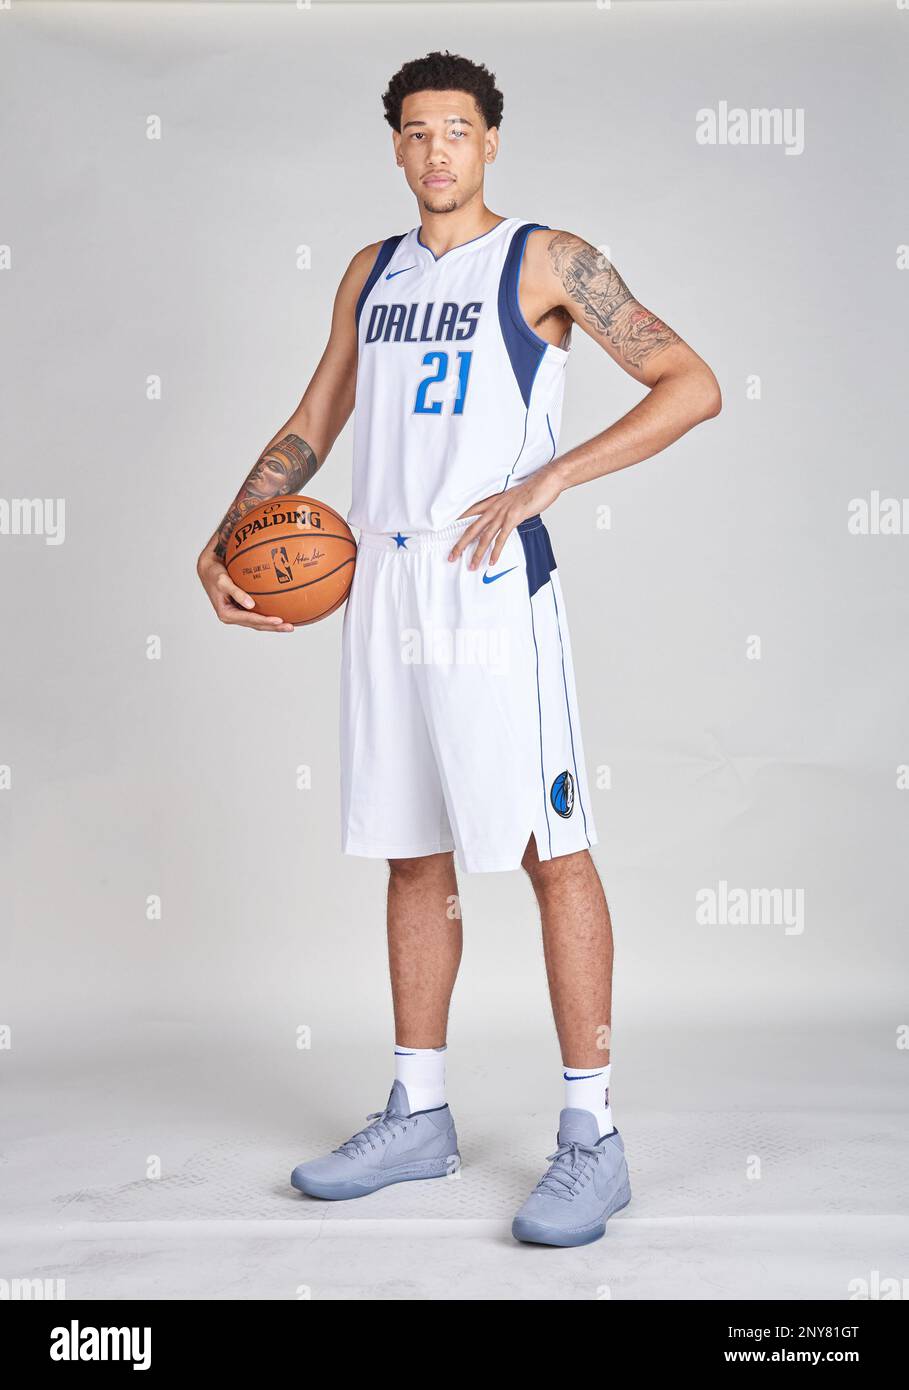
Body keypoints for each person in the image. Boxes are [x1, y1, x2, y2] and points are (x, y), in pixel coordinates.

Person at [197, 50, 721, 1247]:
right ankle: (419, 1113)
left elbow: (690, 382)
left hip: (489, 588)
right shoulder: (369, 273)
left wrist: (554, 475)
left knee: (550, 847)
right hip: (379, 582)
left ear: (492, 143)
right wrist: (230, 534)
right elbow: (315, 416)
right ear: (394, 147)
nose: (438, 150)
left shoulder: (545, 259)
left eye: (460, 130)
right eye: (417, 132)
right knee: (409, 849)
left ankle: (592, 1136)